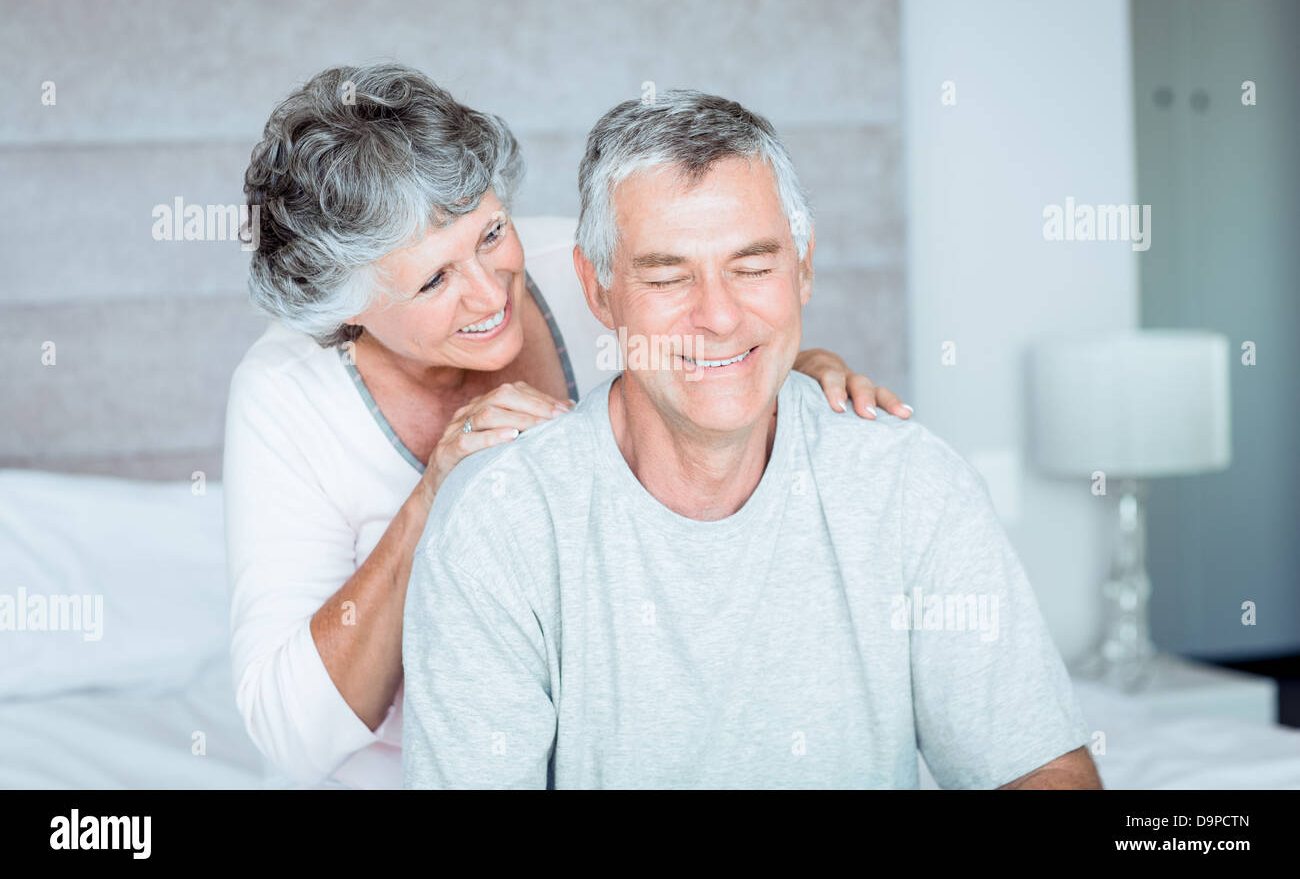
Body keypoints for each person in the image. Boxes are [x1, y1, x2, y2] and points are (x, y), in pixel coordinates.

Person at [222, 65, 912, 789]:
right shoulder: (285, 396)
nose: (490, 292)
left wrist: (803, 368)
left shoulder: (584, 271)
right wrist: (433, 499)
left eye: (491, 233)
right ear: (346, 308)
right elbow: (291, 735)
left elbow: (719, 337)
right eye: (433, 281)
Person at [401, 90, 1102, 789]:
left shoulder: (912, 482)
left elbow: (1039, 770)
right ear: (599, 288)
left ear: (803, 266)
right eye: (668, 274)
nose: (719, 316)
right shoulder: (497, 521)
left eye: (752, 266)